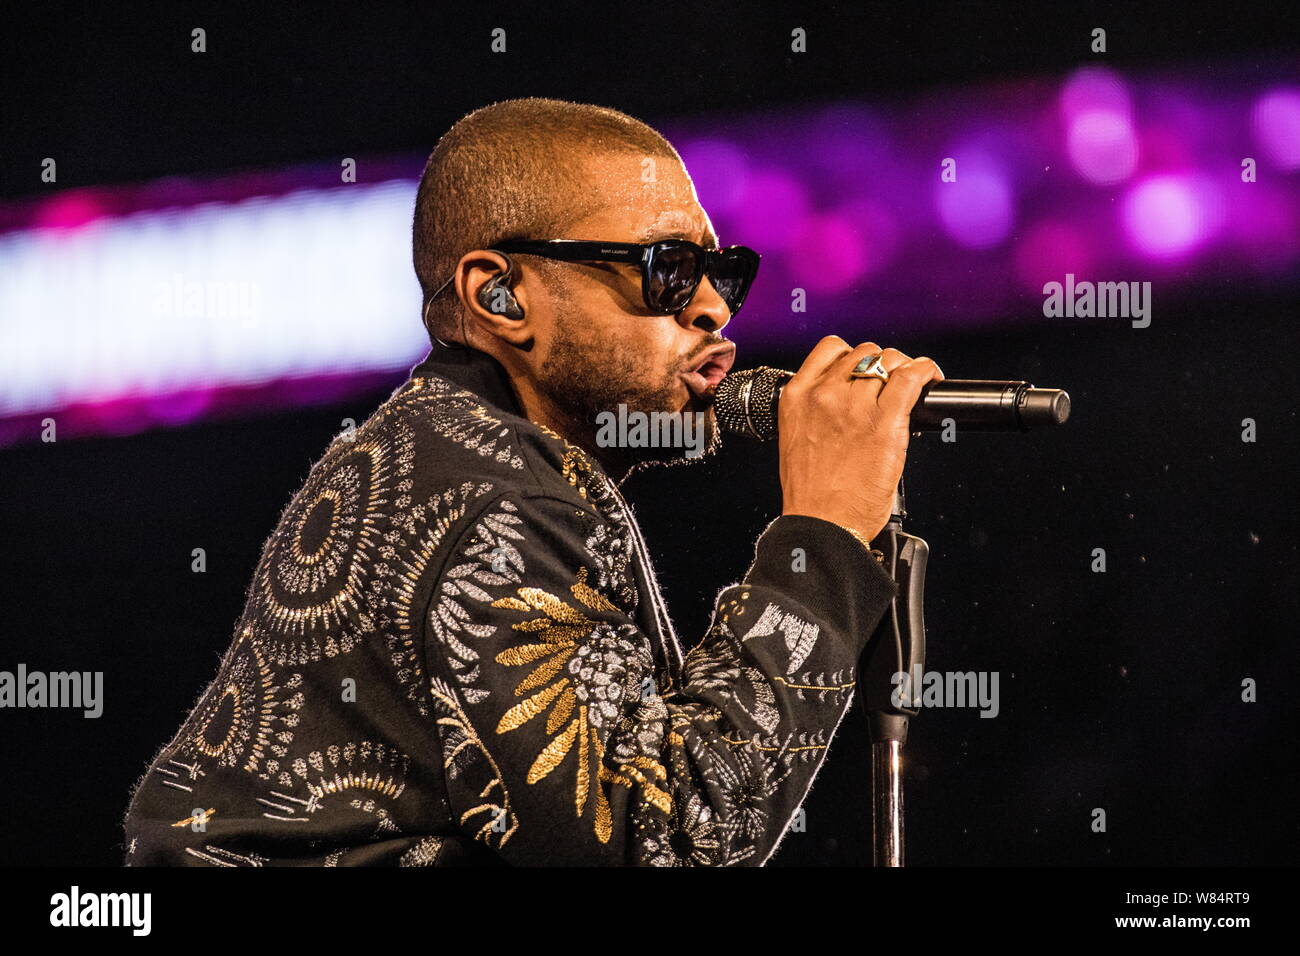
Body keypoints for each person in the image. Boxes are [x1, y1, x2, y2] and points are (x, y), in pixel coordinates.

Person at [123, 97, 942, 866]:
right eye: (666, 268)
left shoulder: (459, 456)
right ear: (502, 295)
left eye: (719, 273)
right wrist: (824, 537)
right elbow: (668, 842)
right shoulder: (491, 500)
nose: (711, 310)